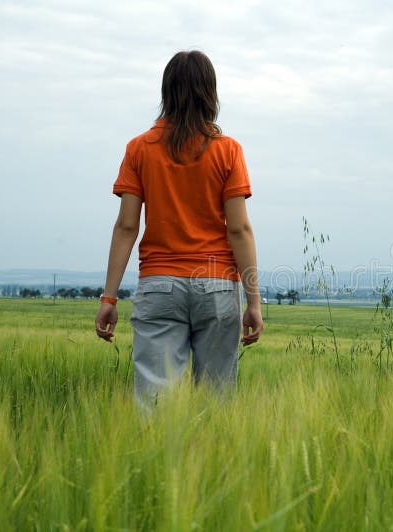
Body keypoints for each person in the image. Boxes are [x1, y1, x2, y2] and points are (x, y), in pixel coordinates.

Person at [94, 50, 263, 403]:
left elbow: (126, 227)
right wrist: (254, 302)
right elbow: (239, 231)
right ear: (210, 93)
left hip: (159, 286)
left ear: (166, 92)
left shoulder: (139, 149)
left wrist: (109, 298)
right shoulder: (228, 151)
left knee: (154, 406)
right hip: (217, 287)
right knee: (216, 404)